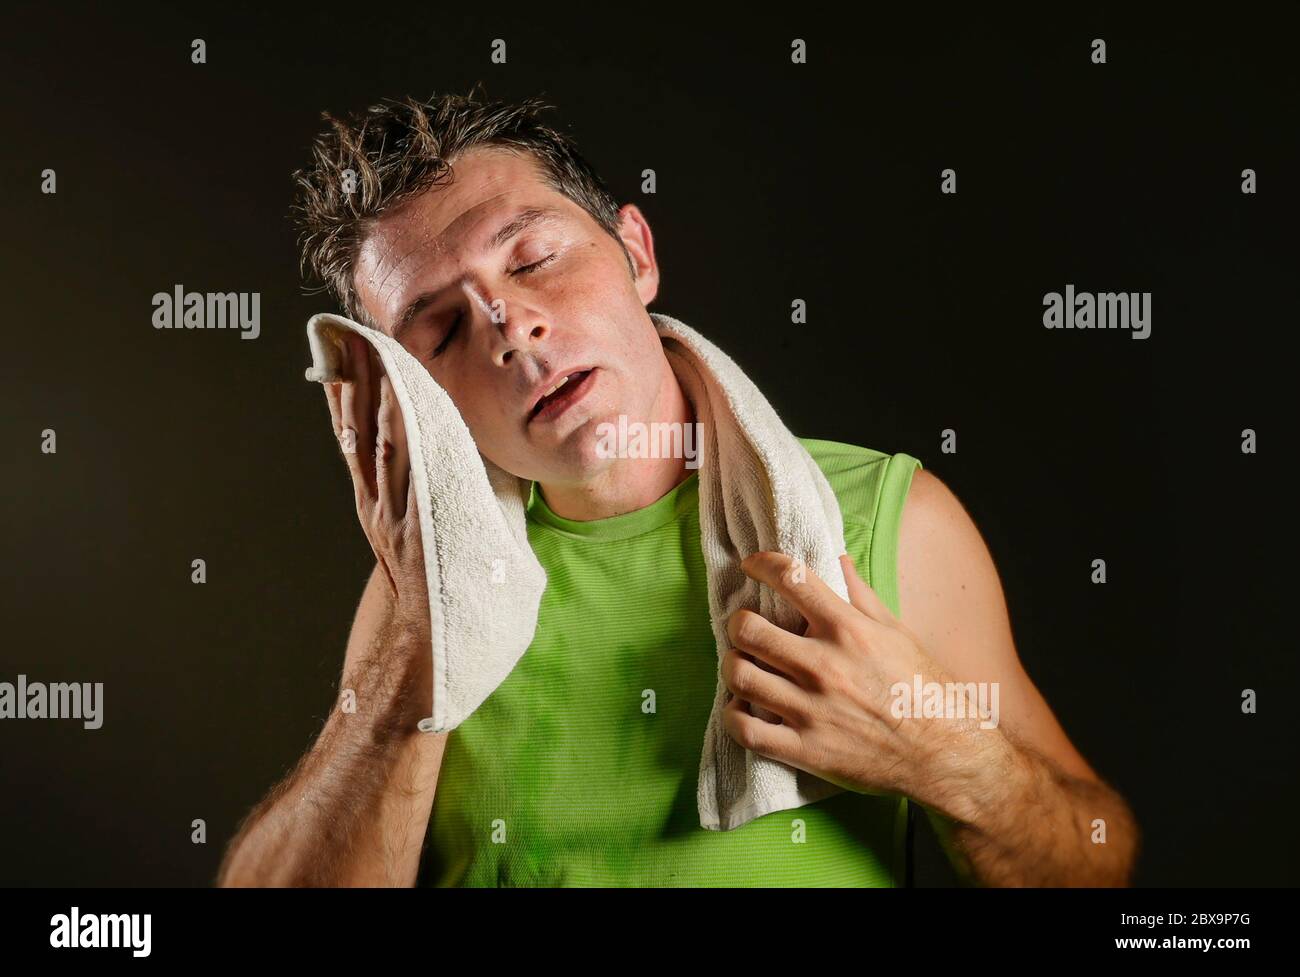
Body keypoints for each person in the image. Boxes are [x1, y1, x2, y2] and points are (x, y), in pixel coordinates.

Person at [217, 86, 1139, 887]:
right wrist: (419, 646)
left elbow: (1099, 865)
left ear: (637, 252)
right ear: (414, 393)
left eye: (532, 259)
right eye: (440, 332)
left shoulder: (887, 521)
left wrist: (945, 754)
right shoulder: (429, 585)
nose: (510, 329)